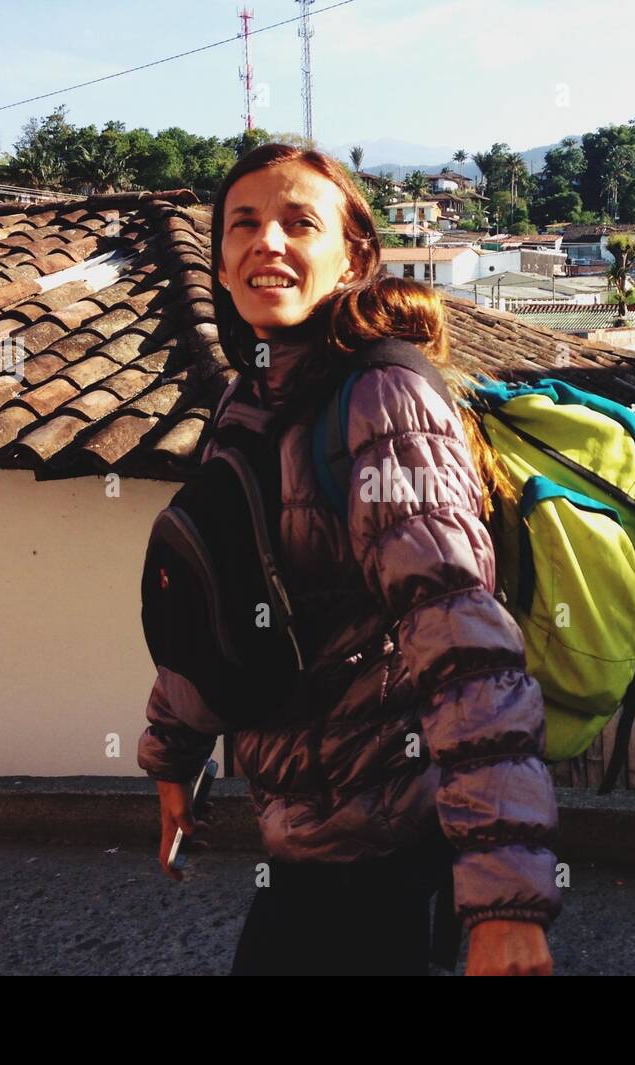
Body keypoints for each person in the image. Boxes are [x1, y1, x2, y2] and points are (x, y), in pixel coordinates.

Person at [138, 142, 561, 976]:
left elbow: (462, 637)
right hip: (306, 839)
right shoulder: (247, 397)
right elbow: (215, 601)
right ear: (219, 259)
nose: (269, 243)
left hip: (392, 856)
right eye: (245, 224)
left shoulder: (383, 397)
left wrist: (504, 899)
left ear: (353, 257)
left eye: (300, 222)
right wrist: (171, 759)